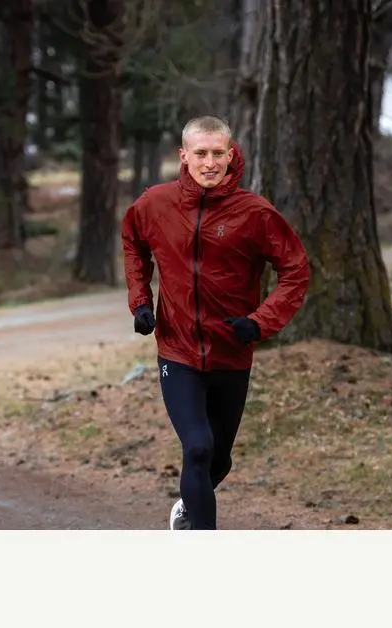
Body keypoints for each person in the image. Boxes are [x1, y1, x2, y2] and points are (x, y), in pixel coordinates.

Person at [120, 115, 311, 530]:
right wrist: (141, 302)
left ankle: (190, 506)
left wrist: (260, 323)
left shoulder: (255, 213)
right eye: (200, 153)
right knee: (199, 448)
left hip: (232, 354)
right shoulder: (155, 203)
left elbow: (296, 270)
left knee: (219, 458)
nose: (209, 162)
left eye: (217, 153)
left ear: (231, 154)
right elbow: (134, 243)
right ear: (183, 156)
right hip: (178, 350)